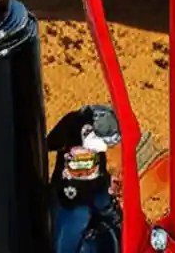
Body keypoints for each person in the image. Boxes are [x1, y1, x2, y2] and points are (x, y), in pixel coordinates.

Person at [48, 105, 123, 253]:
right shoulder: (73, 124)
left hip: (83, 198)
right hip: (72, 202)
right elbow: (51, 143)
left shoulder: (74, 122)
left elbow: (51, 143)